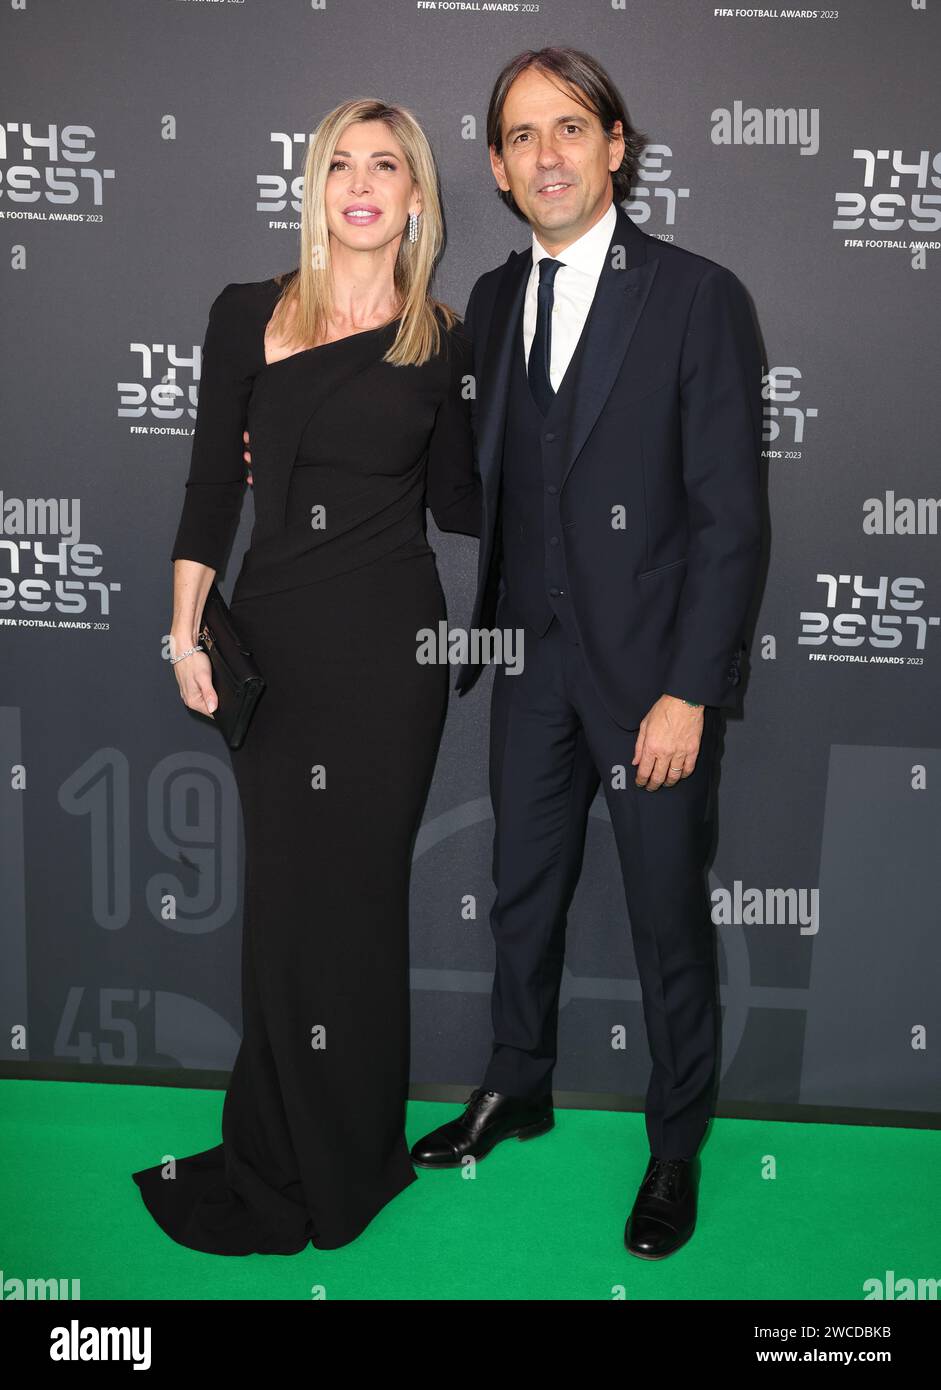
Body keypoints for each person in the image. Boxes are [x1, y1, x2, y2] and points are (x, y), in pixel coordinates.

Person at [410, 48, 764, 1260]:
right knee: (522, 889)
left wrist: (687, 690)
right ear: (499, 167)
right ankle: (518, 1082)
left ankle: (673, 1145)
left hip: (651, 677)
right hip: (530, 661)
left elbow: (729, 518)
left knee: (667, 914)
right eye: (519, 136)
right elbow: (474, 483)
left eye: (569, 128)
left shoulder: (694, 295)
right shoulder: (495, 299)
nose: (545, 154)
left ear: (616, 145)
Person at [132, 99, 480, 1254]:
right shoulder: (249, 314)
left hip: (392, 655)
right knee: (287, 914)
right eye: (341, 162)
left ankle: (351, 1160)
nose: (362, 181)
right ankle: (279, 1152)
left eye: (386, 164)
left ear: (417, 194)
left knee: (360, 908)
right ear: (314, 184)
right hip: (277, 649)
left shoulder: (440, 338)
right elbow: (206, 491)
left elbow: (466, 503)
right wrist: (185, 637)